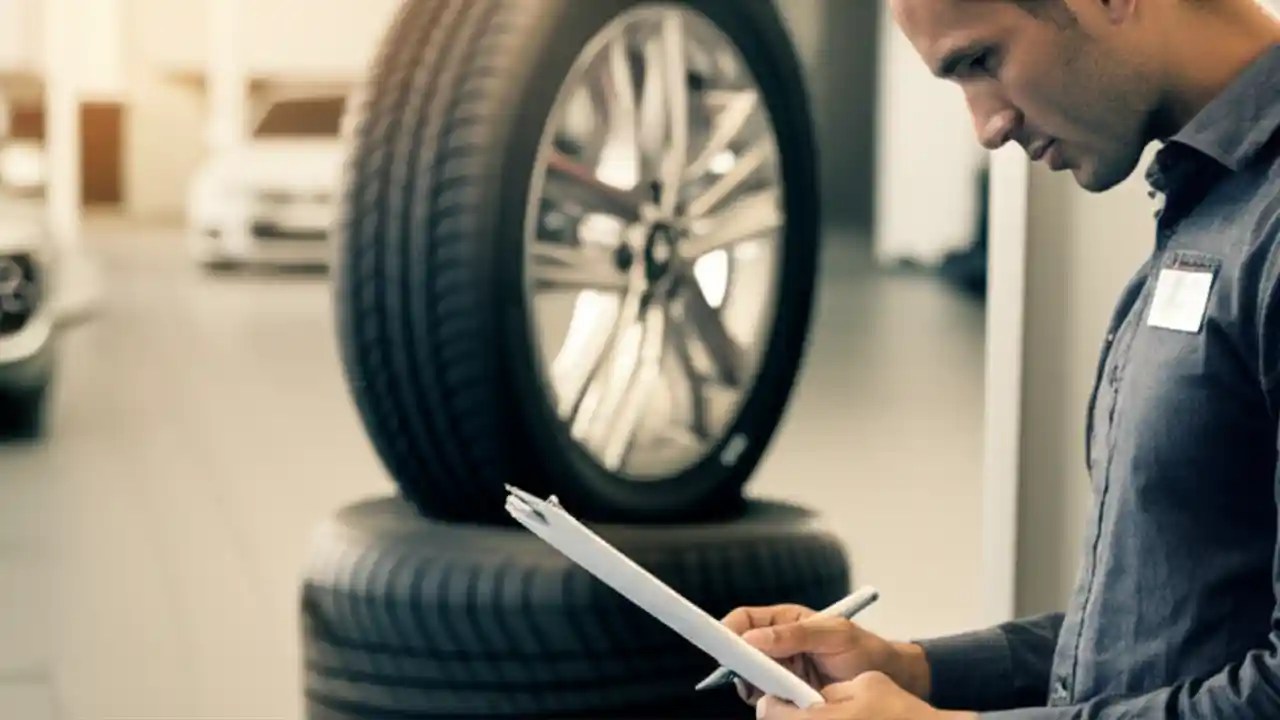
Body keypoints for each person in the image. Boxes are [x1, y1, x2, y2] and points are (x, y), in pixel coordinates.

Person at [722, 1, 1280, 718]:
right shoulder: (1210, 207)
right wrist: (915, 670)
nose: (987, 127)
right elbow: (1157, 638)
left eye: (981, 60)